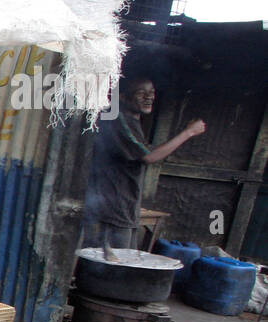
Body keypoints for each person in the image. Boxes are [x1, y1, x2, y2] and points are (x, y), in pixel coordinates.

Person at [82, 77, 205, 250]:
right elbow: (149, 157)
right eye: (141, 93)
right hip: (111, 209)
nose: (149, 97)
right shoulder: (118, 118)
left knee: (122, 262)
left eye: (152, 92)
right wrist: (189, 132)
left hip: (123, 206)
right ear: (124, 97)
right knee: (110, 266)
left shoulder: (131, 120)